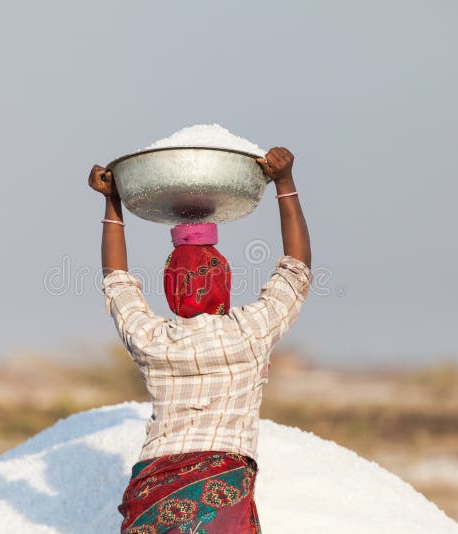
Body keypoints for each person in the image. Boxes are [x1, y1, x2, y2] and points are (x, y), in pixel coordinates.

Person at [88, 147, 312, 534]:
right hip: (221, 494)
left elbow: (116, 281)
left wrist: (113, 202)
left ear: (169, 289)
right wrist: (285, 182)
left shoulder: (152, 340)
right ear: (224, 283)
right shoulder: (250, 332)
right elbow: (297, 267)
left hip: (153, 495)